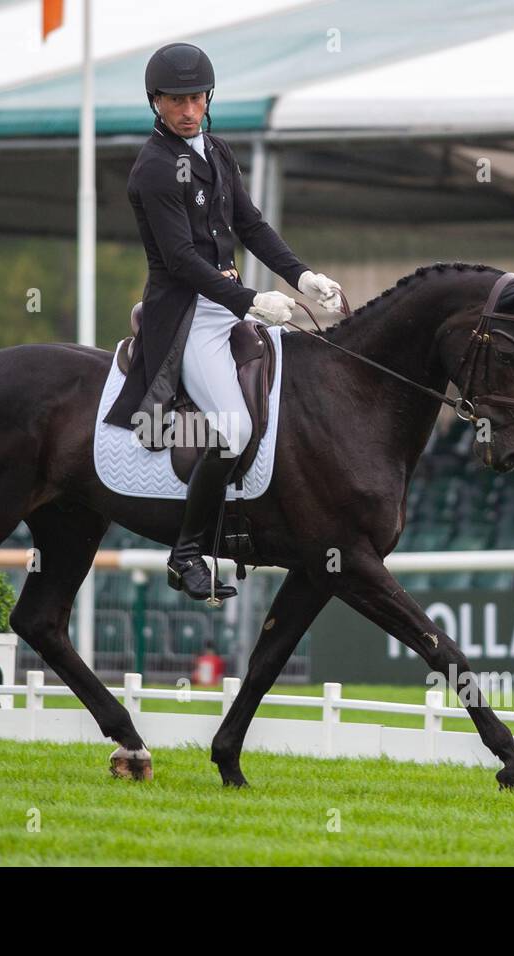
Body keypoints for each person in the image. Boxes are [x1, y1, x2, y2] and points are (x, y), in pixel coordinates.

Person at [104, 41, 343, 604]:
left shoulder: (218, 149)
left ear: (208, 98)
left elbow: (252, 226)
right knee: (232, 429)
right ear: (155, 103)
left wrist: (301, 277)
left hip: (230, 301)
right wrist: (252, 301)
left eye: (195, 98)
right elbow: (183, 261)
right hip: (188, 315)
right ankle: (186, 555)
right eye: (174, 100)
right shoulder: (153, 170)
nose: (187, 110)